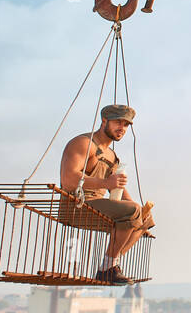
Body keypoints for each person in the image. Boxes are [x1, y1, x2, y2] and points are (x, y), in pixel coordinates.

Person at [59, 104, 153, 284]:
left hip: (96, 206)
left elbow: (116, 188)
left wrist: (140, 214)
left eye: (126, 125)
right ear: (104, 121)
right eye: (118, 122)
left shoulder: (111, 155)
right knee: (133, 211)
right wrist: (106, 183)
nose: (122, 128)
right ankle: (107, 268)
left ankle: (111, 263)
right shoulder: (84, 143)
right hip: (76, 205)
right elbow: (68, 179)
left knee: (143, 216)